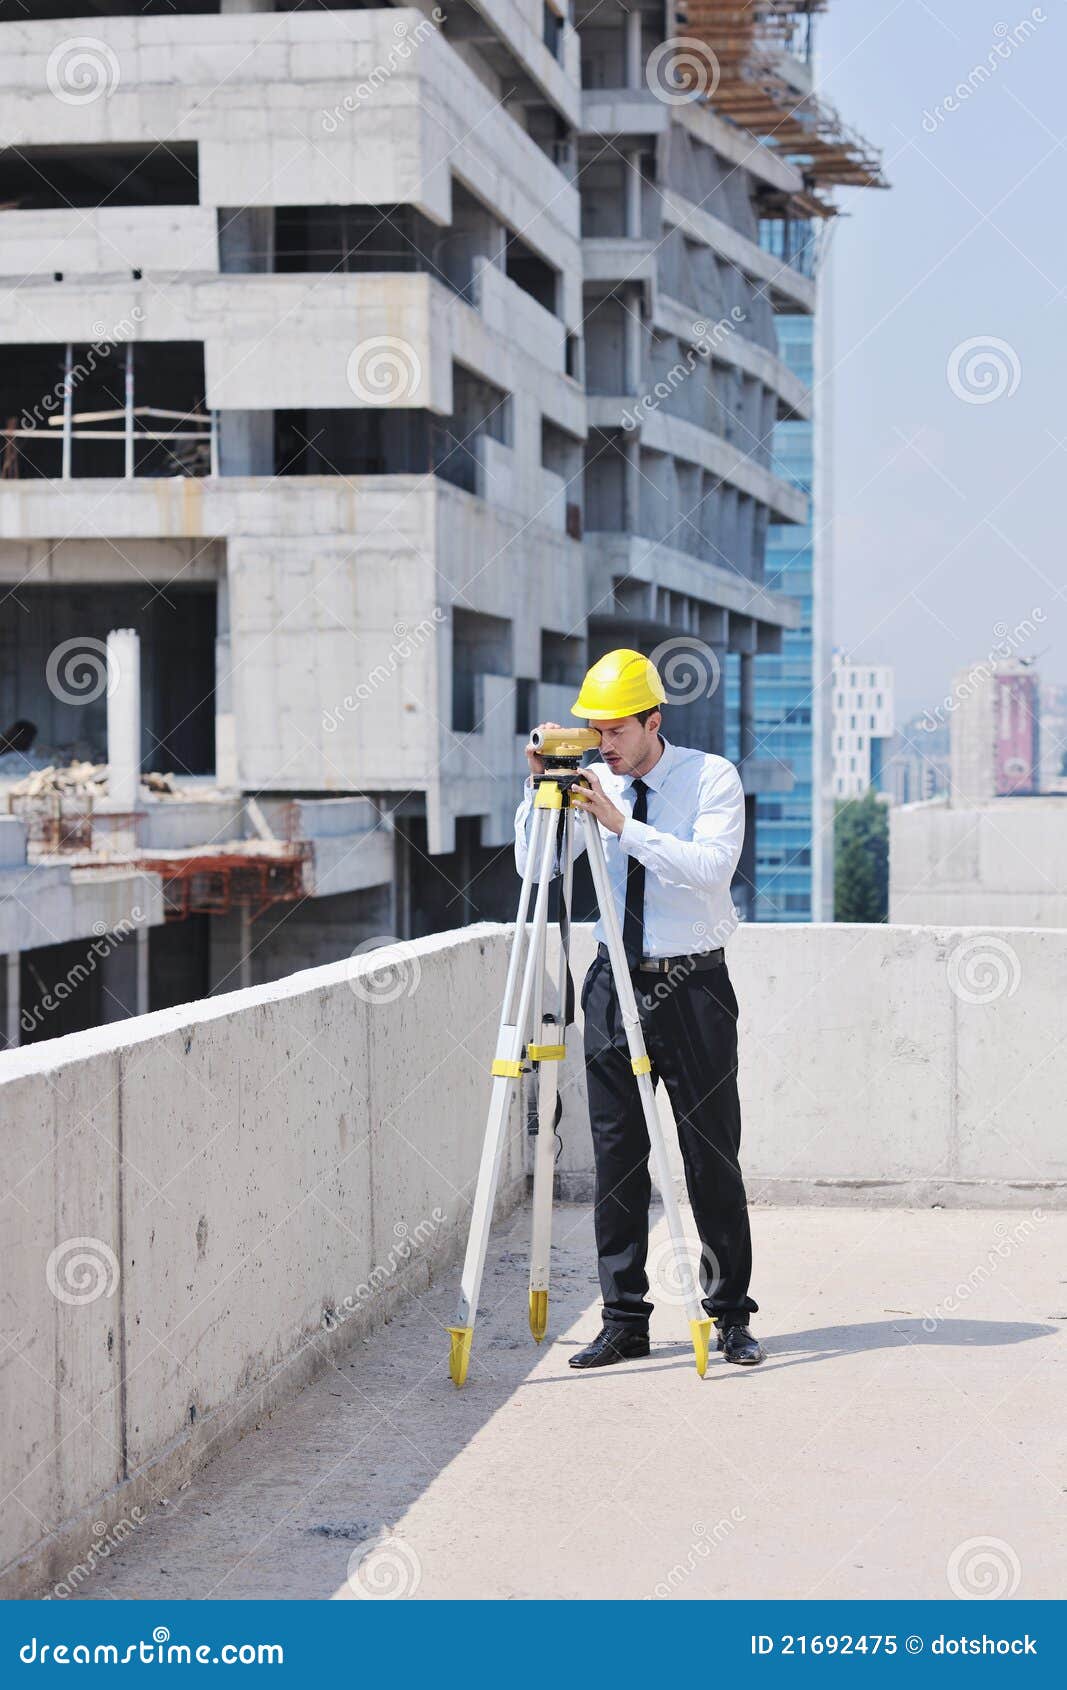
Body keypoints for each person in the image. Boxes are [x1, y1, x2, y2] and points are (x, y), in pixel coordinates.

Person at [514, 648, 764, 1370]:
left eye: (617, 730)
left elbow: (709, 869)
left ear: (653, 721)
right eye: (594, 731)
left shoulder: (708, 776)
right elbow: (537, 869)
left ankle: (730, 1318)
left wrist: (621, 826)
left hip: (693, 986)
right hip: (611, 978)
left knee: (710, 1156)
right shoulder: (590, 782)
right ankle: (623, 1318)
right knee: (618, 1159)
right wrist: (540, 797)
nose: (604, 744)